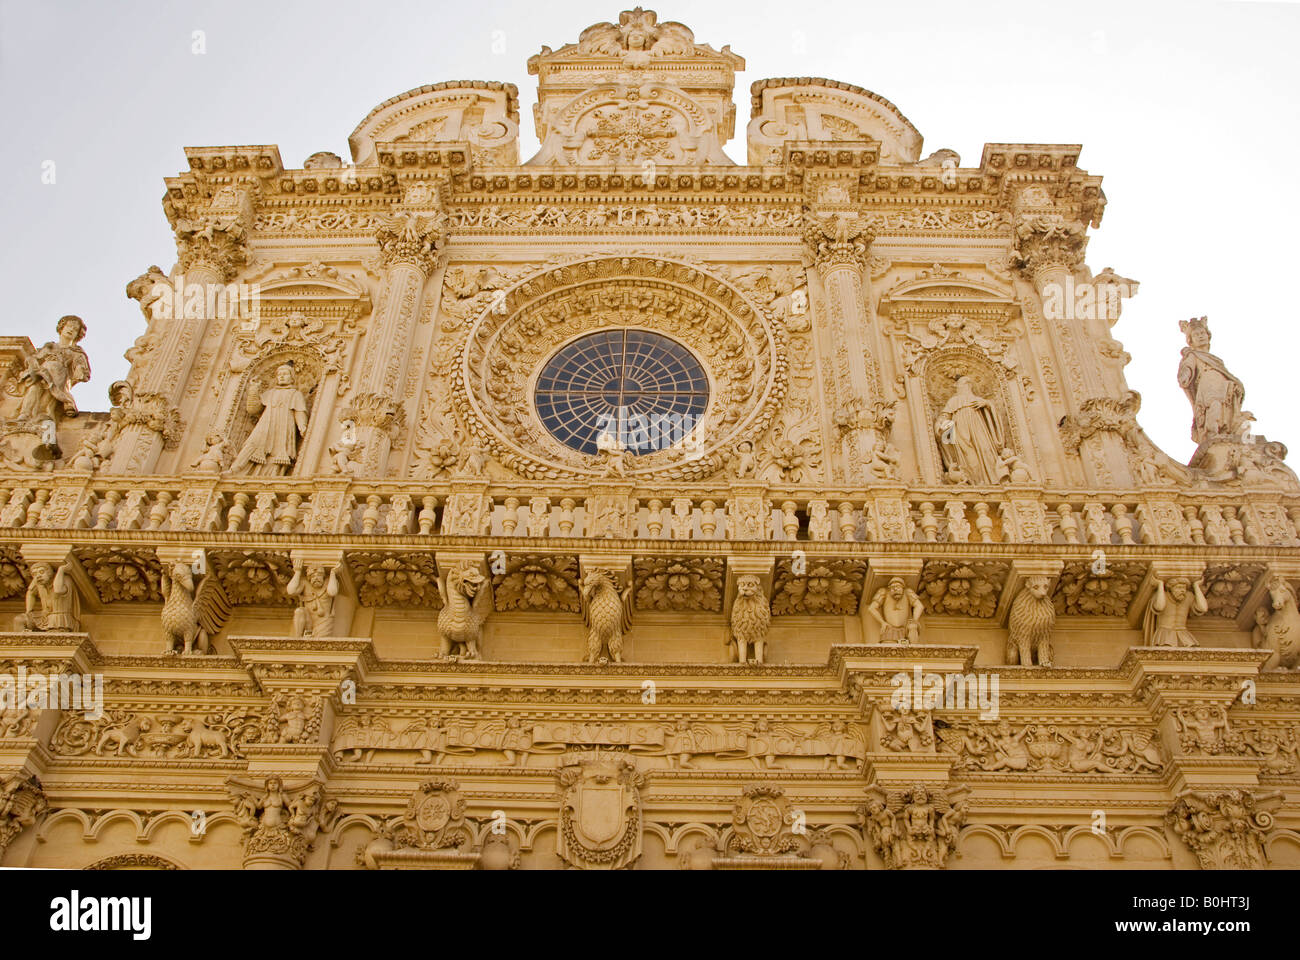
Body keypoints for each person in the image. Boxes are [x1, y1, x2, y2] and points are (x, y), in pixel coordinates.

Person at [229, 364, 309, 476]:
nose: (281, 377)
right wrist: (254, 389)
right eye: (279, 374)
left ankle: (272, 475)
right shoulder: (270, 393)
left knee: (278, 451)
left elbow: (300, 411)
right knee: (252, 444)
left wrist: (302, 426)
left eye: (285, 374)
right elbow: (253, 409)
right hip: (265, 425)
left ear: (292, 378)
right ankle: (236, 470)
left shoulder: (295, 394)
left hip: (283, 425)